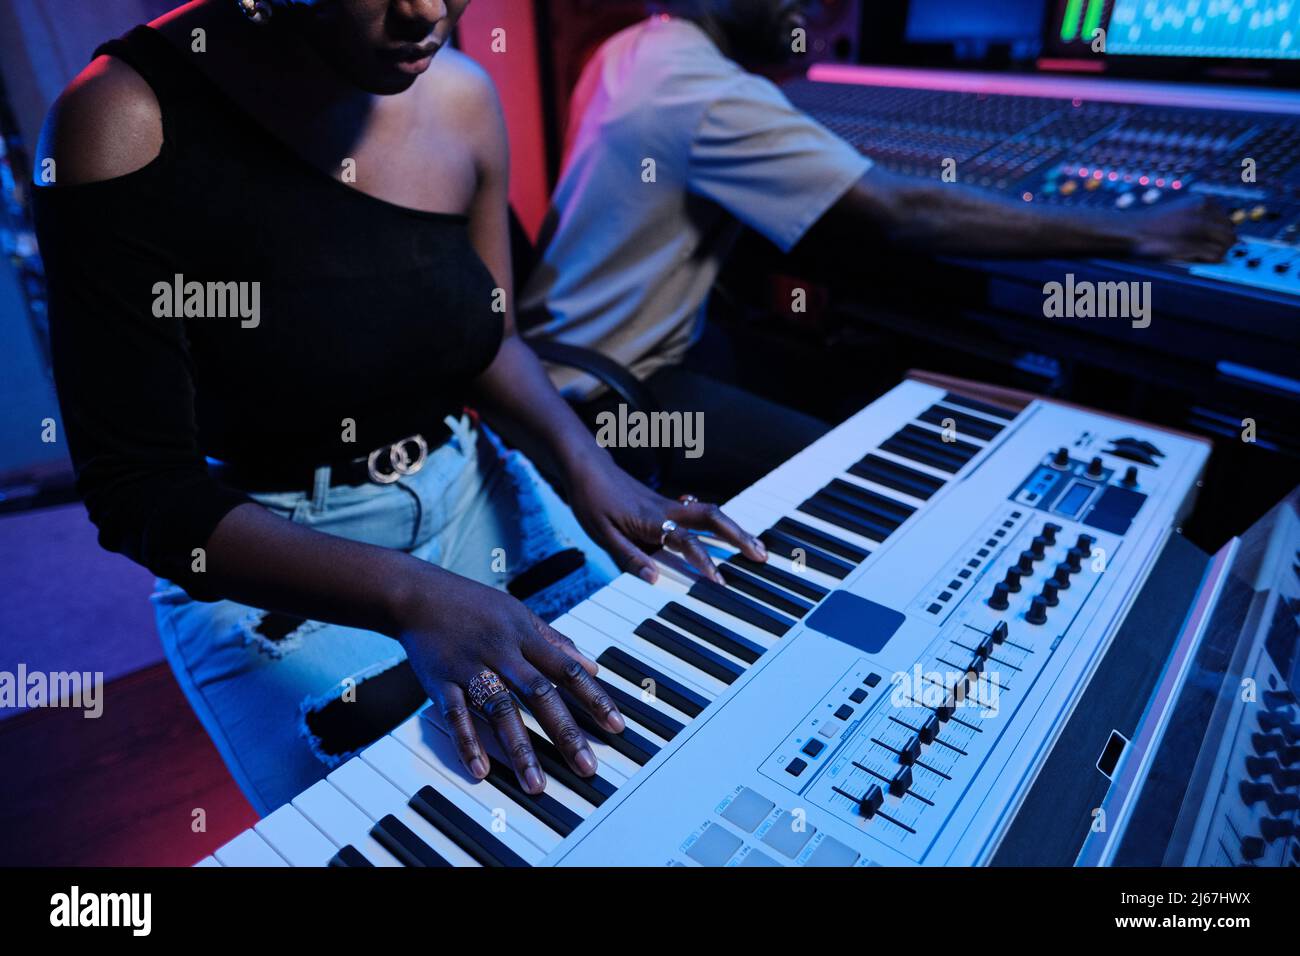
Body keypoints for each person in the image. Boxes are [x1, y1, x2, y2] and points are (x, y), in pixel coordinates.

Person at [34, 0, 767, 816]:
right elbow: (140, 490)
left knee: (658, 761)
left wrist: (589, 469)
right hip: (274, 554)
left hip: (473, 489)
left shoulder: (459, 94)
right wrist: (411, 595)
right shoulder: (120, 119)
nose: (424, 9)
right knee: (443, 826)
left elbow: (488, 340)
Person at [520, 0, 1237, 499]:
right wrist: (1142, 229)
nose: (802, 9)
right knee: (874, 482)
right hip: (609, 404)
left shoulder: (634, 49)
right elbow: (904, 210)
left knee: (855, 381)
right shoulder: (706, 93)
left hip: (561, 370)